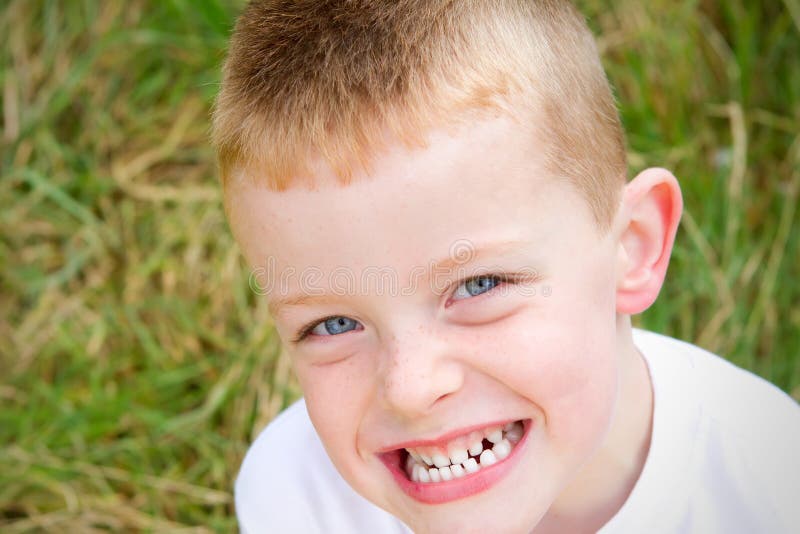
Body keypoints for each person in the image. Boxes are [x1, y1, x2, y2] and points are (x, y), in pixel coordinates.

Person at [212, 1, 800, 532]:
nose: (411, 390)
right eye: (334, 325)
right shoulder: (298, 498)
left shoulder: (771, 490)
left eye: (478, 285)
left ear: (634, 248)